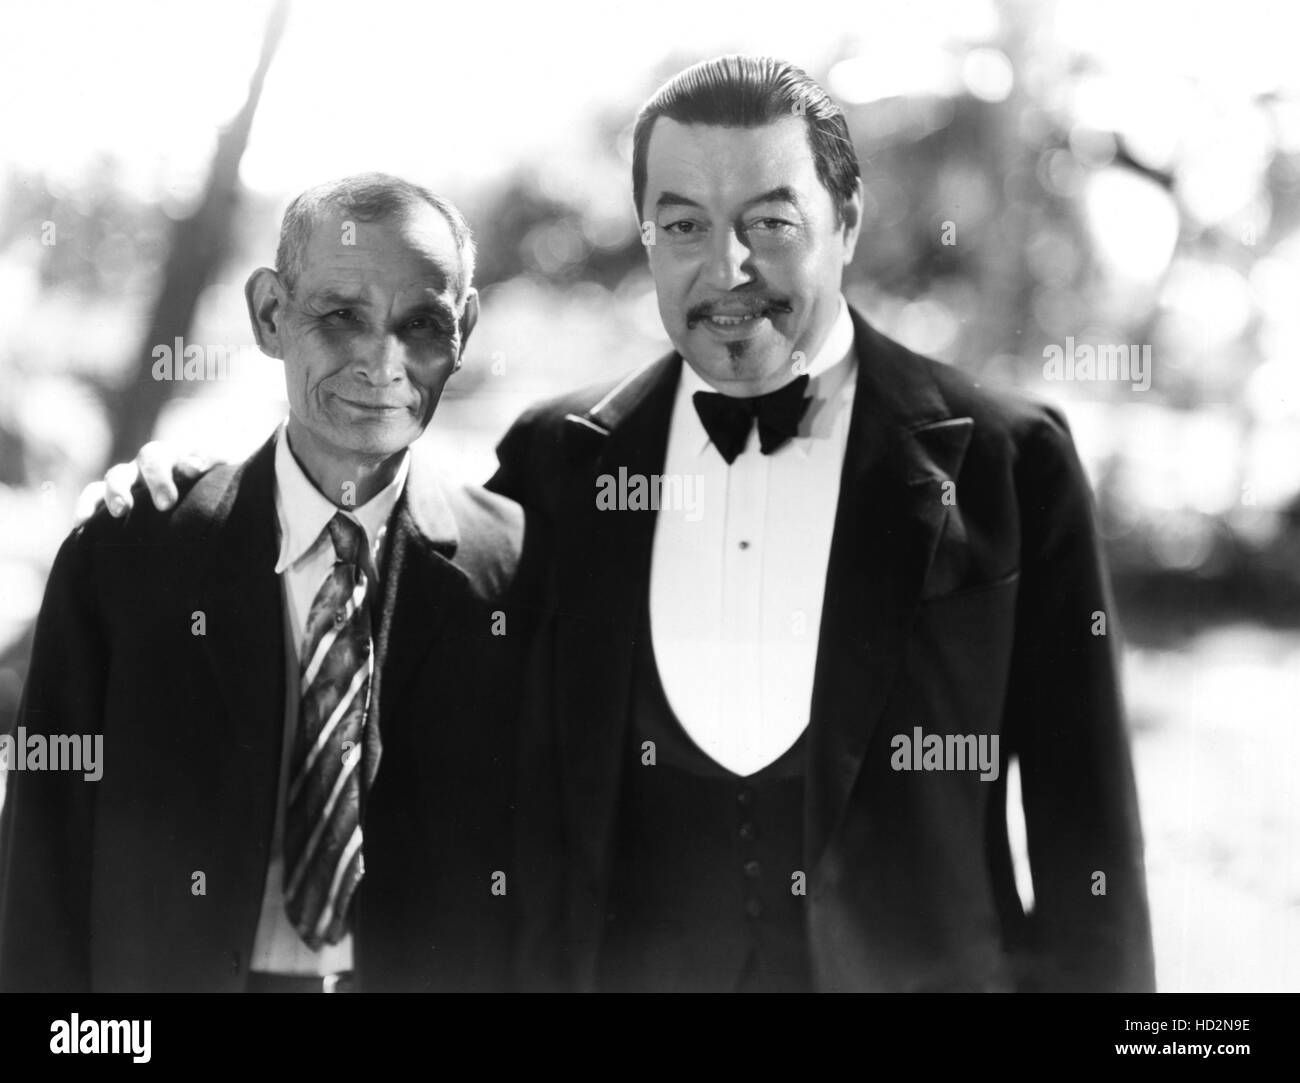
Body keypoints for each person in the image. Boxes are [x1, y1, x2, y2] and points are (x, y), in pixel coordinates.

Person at [93, 56, 1156, 994]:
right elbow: (391, 573)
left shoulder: (1009, 463)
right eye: (684, 224)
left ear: (847, 221)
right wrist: (200, 491)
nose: (726, 267)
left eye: (770, 223)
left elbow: (1086, 832)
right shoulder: (557, 462)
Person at [0, 173, 542, 992]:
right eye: (339, 315)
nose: (381, 362)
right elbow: (40, 870)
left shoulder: (511, 567)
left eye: (422, 324)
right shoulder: (130, 551)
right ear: (269, 315)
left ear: (464, 330)